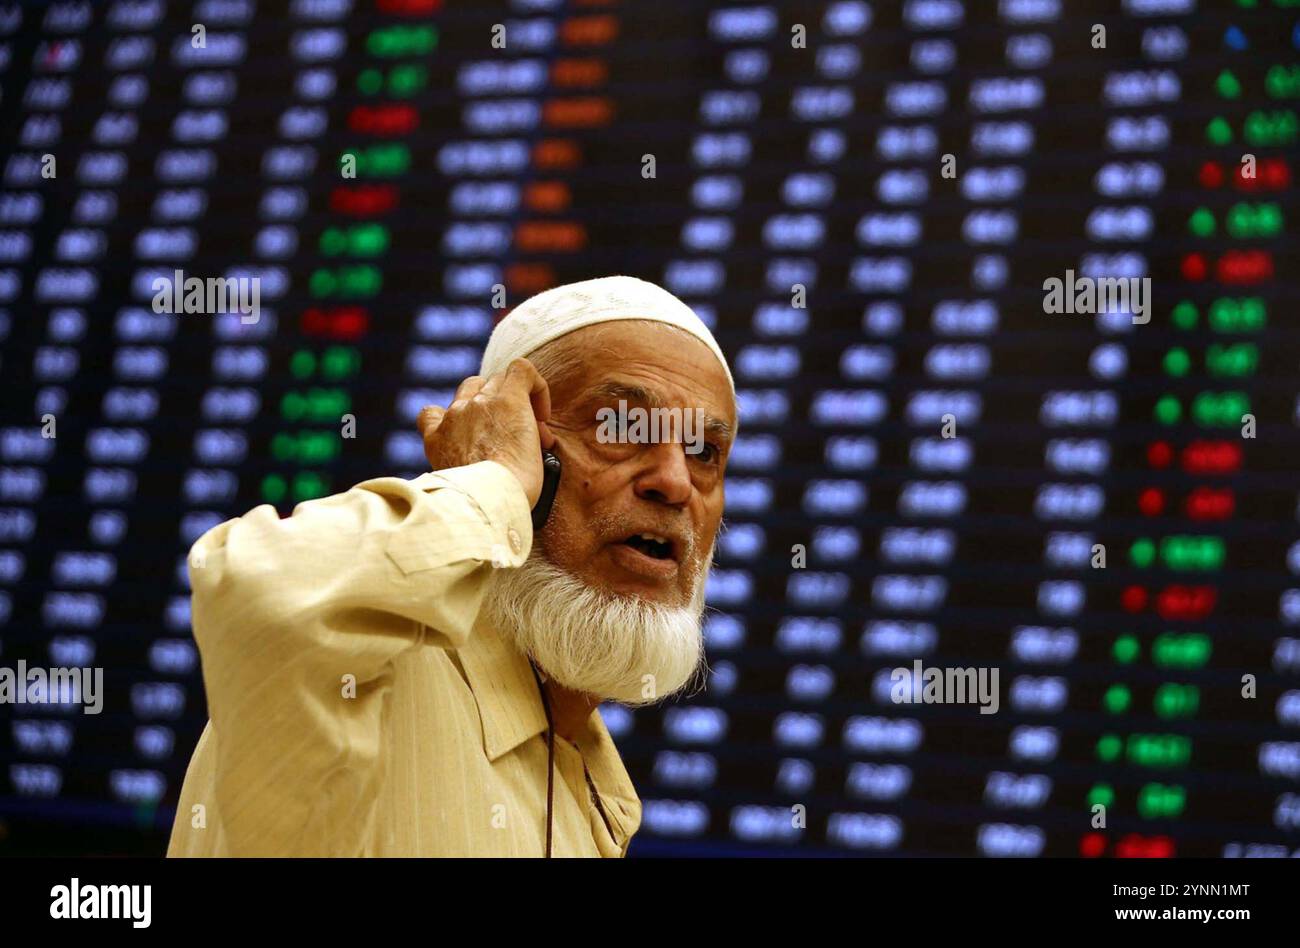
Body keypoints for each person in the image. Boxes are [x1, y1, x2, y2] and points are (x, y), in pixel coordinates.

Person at [166, 275, 737, 857]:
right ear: (523, 442)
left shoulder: (594, 794)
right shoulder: (364, 677)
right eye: (618, 426)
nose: (672, 481)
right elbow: (260, 593)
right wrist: (489, 484)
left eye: (704, 453)